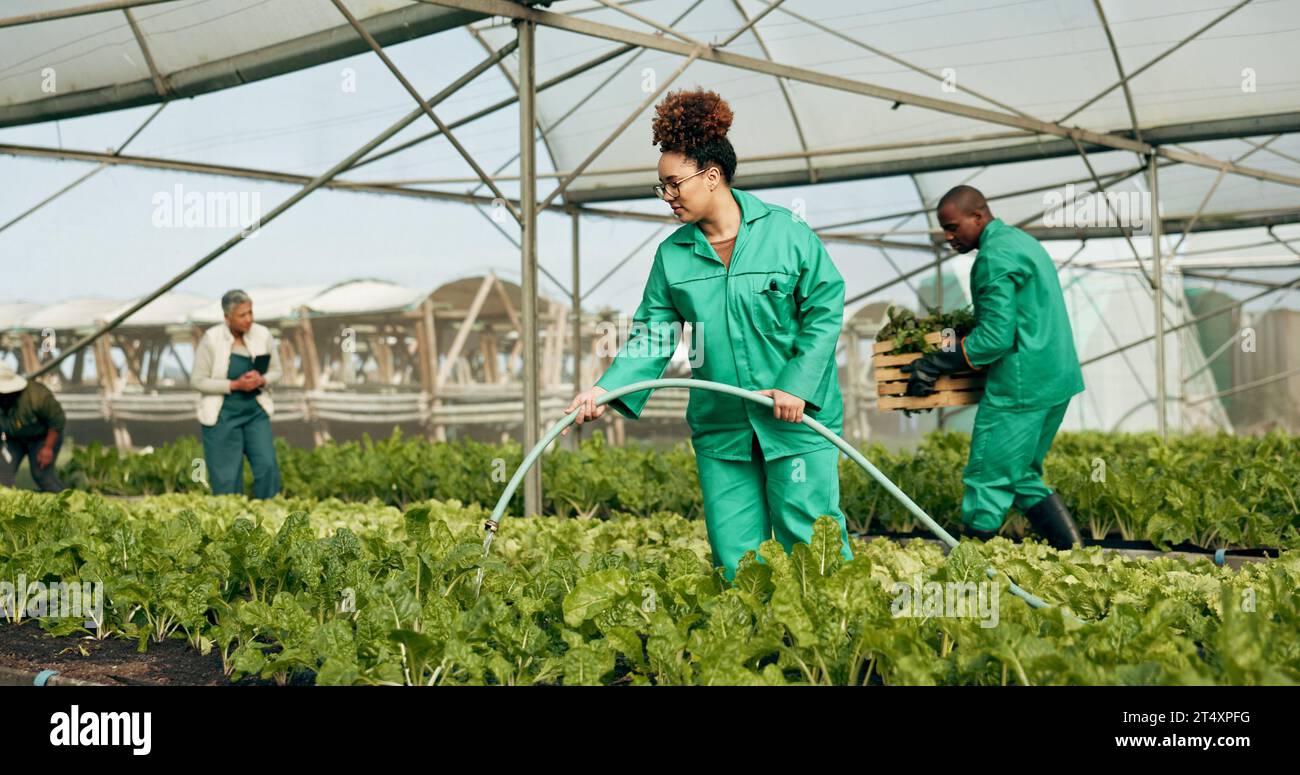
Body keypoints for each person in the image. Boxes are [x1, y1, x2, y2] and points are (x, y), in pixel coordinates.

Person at [562, 89, 853, 582]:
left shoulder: (786, 233)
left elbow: (824, 309)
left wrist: (796, 385)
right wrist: (606, 390)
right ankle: (759, 652)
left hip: (796, 421)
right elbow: (653, 333)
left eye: (673, 184)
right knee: (736, 553)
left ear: (712, 176)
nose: (668, 196)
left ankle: (834, 645)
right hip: (723, 428)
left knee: (811, 543)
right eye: (662, 187)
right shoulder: (673, 255)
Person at [902, 185, 1084, 548]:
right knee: (1022, 476)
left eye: (953, 227)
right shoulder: (1021, 242)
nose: (949, 237)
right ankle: (1076, 558)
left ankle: (970, 574)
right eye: (944, 230)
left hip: (1022, 385)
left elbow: (996, 339)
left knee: (987, 479)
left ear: (978, 216)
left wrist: (934, 362)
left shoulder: (993, 258)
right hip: (1055, 379)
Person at [193, 289, 282, 498]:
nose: (249, 319)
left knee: (267, 465)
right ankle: (232, 521)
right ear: (227, 317)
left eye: (250, 313)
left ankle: (266, 514)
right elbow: (197, 380)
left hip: (255, 412)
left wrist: (262, 380)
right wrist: (235, 385)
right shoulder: (212, 339)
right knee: (226, 477)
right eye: (242, 315)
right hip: (222, 415)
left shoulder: (263, 335)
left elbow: (277, 371)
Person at [0, 362, 67, 492]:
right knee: (2, 476)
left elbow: (57, 421)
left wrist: (47, 448)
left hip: (42, 438)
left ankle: (66, 504)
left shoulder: (37, 395)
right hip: (14, 440)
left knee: (42, 476)